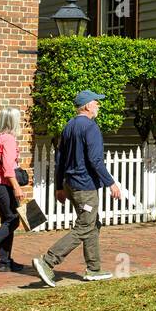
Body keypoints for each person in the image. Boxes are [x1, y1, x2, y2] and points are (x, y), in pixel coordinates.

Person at [32, 91, 121, 286]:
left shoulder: (69, 126)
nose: (98, 105)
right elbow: (95, 160)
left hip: (70, 185)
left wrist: (58, 187)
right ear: (87, 106)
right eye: (96, 102)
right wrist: (111, 183)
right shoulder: (90, 127)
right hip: (85, 186)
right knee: (84, 227)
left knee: (92, 224)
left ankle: (94, 269)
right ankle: (47, 261)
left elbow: (59, 159)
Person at [0, 107, 27, 273]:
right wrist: (17, 186)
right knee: (12, 221)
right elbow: (7, 167)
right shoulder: (9, 140)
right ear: (13, 121)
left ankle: (5, 262)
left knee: (9, 219)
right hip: (3, 183)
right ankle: (4, 260)